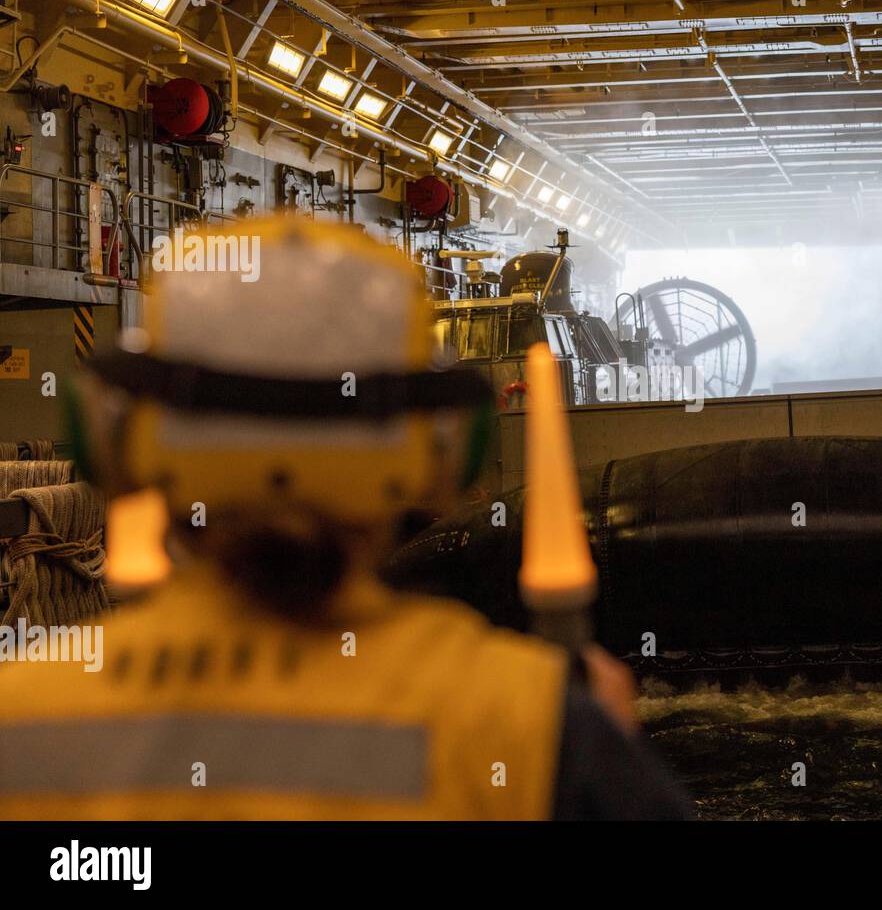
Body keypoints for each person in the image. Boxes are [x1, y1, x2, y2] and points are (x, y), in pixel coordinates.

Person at [0, 218, 693, 820]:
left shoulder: (23, 714)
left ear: (116, 445)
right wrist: (592, 740)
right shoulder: (528, 722)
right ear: (441, 454)